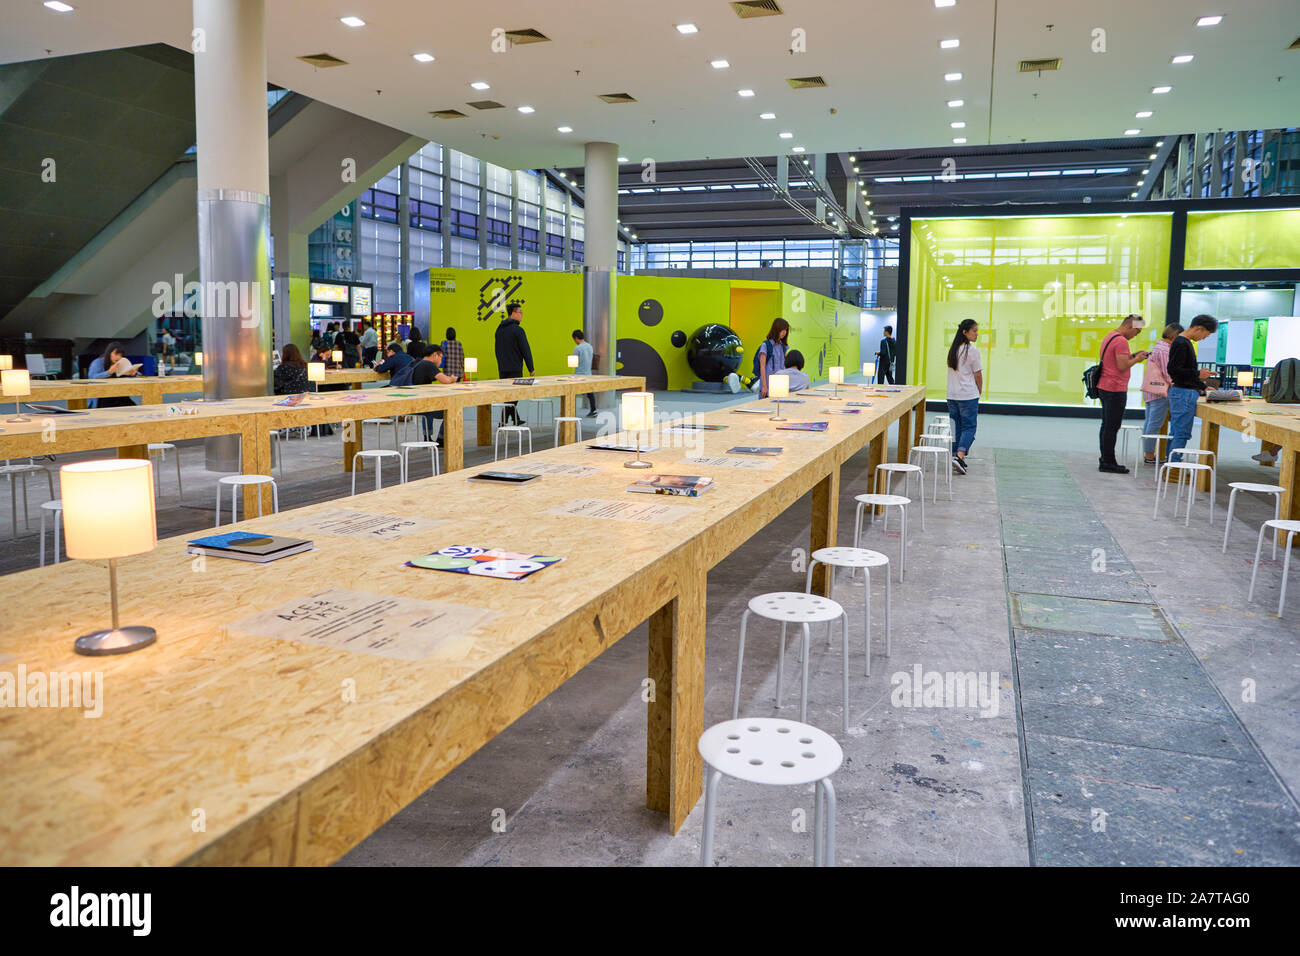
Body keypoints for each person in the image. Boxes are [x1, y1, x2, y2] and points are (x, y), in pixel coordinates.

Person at [1095, 314, 1150, 474]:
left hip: (1105, 386)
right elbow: (1122, 366)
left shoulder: (1111, 336)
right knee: (1112, 427)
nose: (1136, 335)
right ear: (1129, 326)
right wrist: (1137, 359)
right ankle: (1108, 462)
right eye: (1137, 331)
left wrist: (1133, 356)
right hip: (1115, 388)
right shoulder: (1121, 341)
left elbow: (1116, 360)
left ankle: (1105, 459)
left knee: (1106, 425)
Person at [1167, 314, 1219, 459]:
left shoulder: (1183, 342)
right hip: (1183, 393)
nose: (1203, 338)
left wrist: (1202, 385)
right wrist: (1198, 374)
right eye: (1205, 335)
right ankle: (1174, 467)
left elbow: (1182, 372)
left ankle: (1171, 465)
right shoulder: (1182, 343)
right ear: (1198, 328)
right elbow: (1173, 369)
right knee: (1181, 433)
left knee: (1176, 432)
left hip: (1183, 392)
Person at [1140, 323, 1181, 465]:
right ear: (1175, 336)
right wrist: (1177, 382)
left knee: (1150, 422)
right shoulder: (1164, 350)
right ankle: (1149, 455)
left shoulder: (1157, 348)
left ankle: (1148, 453)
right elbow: (1167, 372)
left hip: (1151, 390)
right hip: (1160, 392)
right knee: (1154, 424)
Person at [946, 319, 982, 474]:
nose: (977, 334)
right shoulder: (972, 350)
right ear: (965, 332)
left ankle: (956, 457)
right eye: (974, 331)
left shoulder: (953, 350)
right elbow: (978, 374)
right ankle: (960, 456)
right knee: (969, 427)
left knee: (957, 427)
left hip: (952, 396)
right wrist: (979, 391)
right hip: (967, 395)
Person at [495, 303, 534, 424]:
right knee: (514, 396)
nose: (522, 315)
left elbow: (497, 349)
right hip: (515, 369)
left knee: (509, 396)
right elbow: (525, 349)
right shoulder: (518, 330)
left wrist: (500, 364)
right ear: (514, 313)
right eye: (520, 312)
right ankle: (503, 420)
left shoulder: (499, 329)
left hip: (503, 369)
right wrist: (531, 367)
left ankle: (514, 419)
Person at [411, 344, 458, 443]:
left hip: (413, 402)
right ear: (435, 355)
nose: (441, 361)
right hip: (420, 405)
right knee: (451, 410)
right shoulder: (428, 364)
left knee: (429, 406)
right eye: (441, 357)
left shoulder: (418, 363)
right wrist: (453, 379)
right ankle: (441, 438)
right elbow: (445, 380)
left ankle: (427, 436)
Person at [87, 341, 140, 409]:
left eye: (120, 355)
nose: (118, 357)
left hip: (120, 396)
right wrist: (109, 372)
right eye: (116, 354)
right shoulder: (98, 363)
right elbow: (92, 378)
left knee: (135, 410)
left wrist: (134, 373)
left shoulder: (121, 363)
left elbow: (137, 373)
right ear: (109, 353)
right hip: (103, 397)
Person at [755, 317, 790, 398]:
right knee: (765, 407)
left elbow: (786, 366)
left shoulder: (784, 347)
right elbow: (762, 366)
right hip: (768, 384)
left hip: (781, 384)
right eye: (782, 330)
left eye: (786, 330)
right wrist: (764, 386)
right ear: (776, 329)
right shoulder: (766, 345)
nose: (784, 332)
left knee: (780, 407)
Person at [572, 329, 596, 416]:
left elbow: (574, 362)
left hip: (579, 373)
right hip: (588, 373)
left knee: (572, 392)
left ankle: (570, 411)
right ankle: (593, 410)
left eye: (574, 339)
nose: (574, 341)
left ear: (576, 338)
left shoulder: (577, 348)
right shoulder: (590, 346)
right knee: (590, 393)